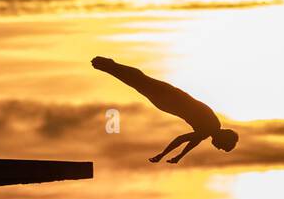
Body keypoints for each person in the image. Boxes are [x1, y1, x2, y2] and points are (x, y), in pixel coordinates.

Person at [91, 56, 239, 163]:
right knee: (140, 81)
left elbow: (191, 143)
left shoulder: (210, 129)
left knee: (139, 82)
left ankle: (111, 67)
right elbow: (181, 140)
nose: (219, 149)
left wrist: (178, 157)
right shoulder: (208, 128)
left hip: (169, 99)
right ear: (223, 139)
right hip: (169, 98)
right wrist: (163, 154)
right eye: (223, 147)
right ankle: (111, 66)